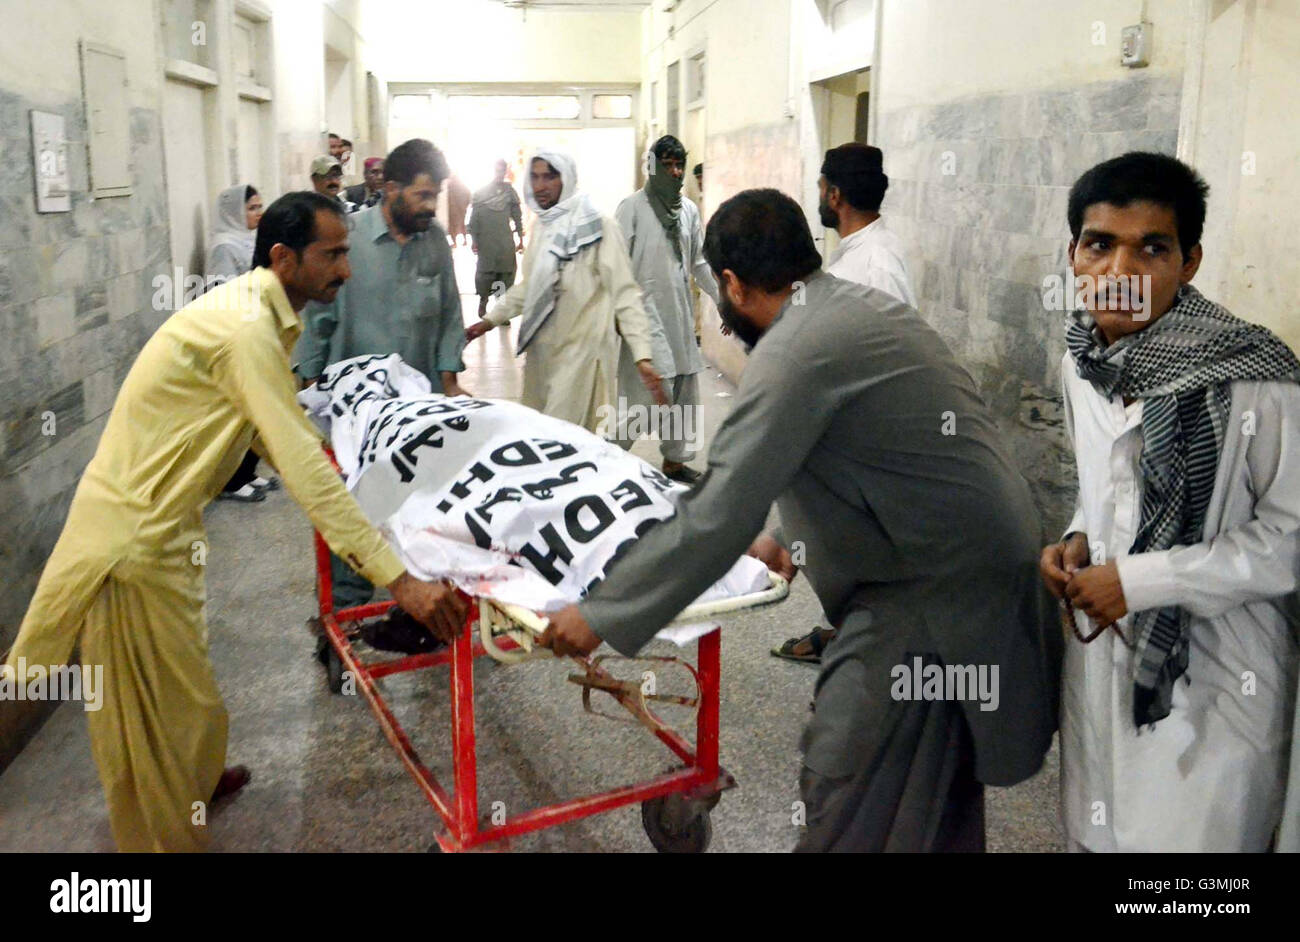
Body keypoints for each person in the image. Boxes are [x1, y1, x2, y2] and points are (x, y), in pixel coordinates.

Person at [540, 188, 1061, 852]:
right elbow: (877, 455)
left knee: (848, 773)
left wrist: (602, 614)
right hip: (971, 576)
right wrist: (787, 535)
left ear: (729, 284)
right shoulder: (855, 309)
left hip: (930, 600)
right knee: (931, 799)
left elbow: (717, 512)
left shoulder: (795, 350)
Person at [2, 191, 468, 852]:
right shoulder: (246, 330)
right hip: (131, 543)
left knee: (187, 684)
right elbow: (301, 465)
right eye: (332, 255)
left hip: (167, 532)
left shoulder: (261, 314)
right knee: (148, 721)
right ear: (283, 257)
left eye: (346, 252)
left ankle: (196, 779)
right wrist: (400, 578)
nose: (347, 269)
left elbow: (271, 424)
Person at [1041, 152, 1300, 852]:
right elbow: (1100, 489)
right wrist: (1077, 538)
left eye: (1152, 248)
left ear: (1189, 263)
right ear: (1074, 253)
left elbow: (1288, 540)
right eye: (1100, 245)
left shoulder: (1258, 380)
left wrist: (1140, 582)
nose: (1120, 271)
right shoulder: (1081, 363)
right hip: (1102, 665)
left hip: (1218, 677)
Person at [296, 138, 469, 614]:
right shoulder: (348, 239)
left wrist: (449, 380)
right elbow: (317, 316)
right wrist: (309, 384)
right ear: (390, 188)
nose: (431, 206)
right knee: (355, 510)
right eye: (421, 195)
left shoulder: (433, 242)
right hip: (358, 411)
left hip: (420, 410)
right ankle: (347, 612)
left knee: (421, 510)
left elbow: (451, 314)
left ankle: (421, 606)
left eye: (436, 195)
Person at [775, 143, 918, 663]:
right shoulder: (861, 252)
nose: (818, 196)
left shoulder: (873, 263)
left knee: (861, 552)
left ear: (834, 194)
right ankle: (849, 639)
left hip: (874, 439)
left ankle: (863, 655)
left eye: (820, 186)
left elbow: (887, 359)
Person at [465, 149, 667, 431]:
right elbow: (531, 287)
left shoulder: (599, 227)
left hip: (582, 353)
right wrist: (490, 320)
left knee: (567, 437)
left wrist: (642, 355)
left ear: (567, 179)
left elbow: (624, 293)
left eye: (549, 177)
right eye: (534, 177)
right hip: (543, 350)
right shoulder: (542, 227)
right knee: (540, 433)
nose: (540, 186)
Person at [614, 135, 720, 484]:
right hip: (643, 318)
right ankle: (605, 458)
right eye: (668, 165)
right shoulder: (631, 208)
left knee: (684, 395)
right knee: (644, 400)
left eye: (680, 166)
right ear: (653, 167)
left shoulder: (688, 210)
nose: (675, 173)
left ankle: (675, 463)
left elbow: (699, 263)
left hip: (679, 317)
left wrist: (725, 302)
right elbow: (615, 266)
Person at [206, 184, 279, 503]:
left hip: (260, 328)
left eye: (260, 207)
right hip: (238, 334)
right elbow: (223, 294)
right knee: (239, 412)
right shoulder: (223, 246)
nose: (258, 213)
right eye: (251, 208)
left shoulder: (252, 239)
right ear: (233, 212)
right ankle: (230, 480)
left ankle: (247, 471)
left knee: (257, 411)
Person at [467, 158, 525, 318]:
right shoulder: (481, 193)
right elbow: (474, 219)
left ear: (506, 171)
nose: (500, 174)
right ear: (493, 170)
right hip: (487, 241)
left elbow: (517, 217)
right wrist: (474, 240)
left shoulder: (510, 193)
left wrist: (520, 238)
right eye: (497, 170)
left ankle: (500, 312)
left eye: (502, 171)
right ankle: (483, 302)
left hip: (504, 241)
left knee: (505, 275)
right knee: (486, 274)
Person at [445, 173, 471, 247]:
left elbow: (450, 199)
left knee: (454, 227)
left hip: (454, 209)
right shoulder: (461, 186)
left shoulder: (451, 186)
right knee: (461, 225)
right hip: (460, 209)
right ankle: (462, 241)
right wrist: (465, 205)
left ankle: (455, 242)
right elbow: (469, 195)